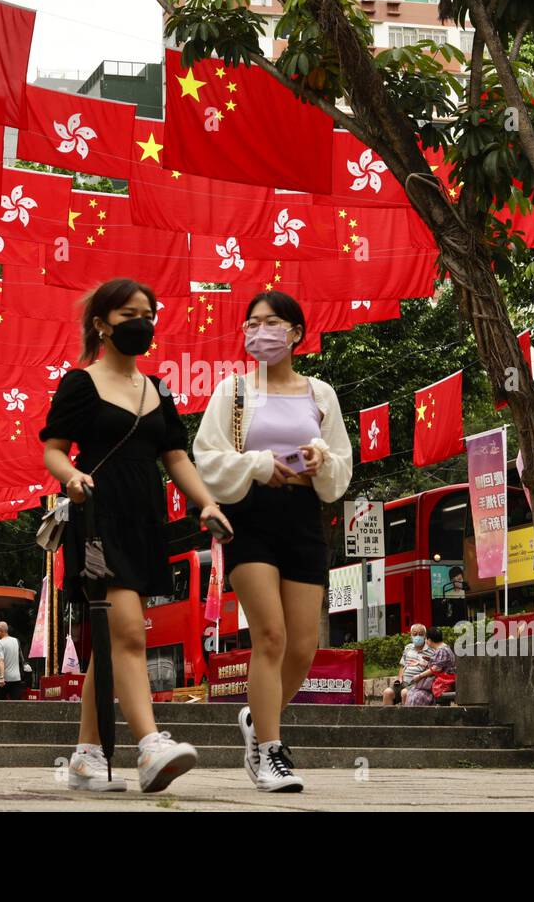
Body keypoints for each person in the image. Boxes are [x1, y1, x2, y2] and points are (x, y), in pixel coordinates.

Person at [39, 277, 230, 794]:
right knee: (128, 631)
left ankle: (85, 756)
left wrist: (206, 502)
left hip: (145, 519)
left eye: (147, 312)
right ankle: (149, 746)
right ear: (101, 323)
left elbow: (175, 456)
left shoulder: (159, 388)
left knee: (110, 641)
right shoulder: (79, 383)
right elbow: (54, 449)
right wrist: (70, 476)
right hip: (97, 518)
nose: (141, 322)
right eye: (128, 313)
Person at [193, 290, 353, 793]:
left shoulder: (320, 393)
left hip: (305, 515)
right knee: (271, 636)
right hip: (251, 515)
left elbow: (344, 464)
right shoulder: (234, 391)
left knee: (303, 647)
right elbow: (207, 457)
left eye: (272, 322)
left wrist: (322, 460)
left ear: (297, 333)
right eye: (252, 323)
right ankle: (269, 751)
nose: (260, 331)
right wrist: (259, 466)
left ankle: (258, 720)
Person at [382, 624, 431, 707]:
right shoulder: (408, 648)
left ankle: (405, 719)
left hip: (418, 684)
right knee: (387, 692)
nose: (417, 636)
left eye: (420, 634)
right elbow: (402, 666)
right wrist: (400, 679)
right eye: (415, 634)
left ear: (425, 636)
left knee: (405, 693)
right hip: (404, 682)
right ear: (411, 636)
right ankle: (387, 719)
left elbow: (433, 668)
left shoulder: (430, 650)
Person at [405, 628, 456, 706]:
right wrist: (422, 663)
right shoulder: (445, 648)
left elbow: (436, 668)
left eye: (426, 639)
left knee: (416, 696)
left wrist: (419, 676)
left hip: (442, 685)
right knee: (412, 692)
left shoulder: (441, 650)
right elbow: (439, 665)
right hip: (442, 683)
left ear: (429, 640)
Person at [0, 622, 27, 700]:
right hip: (16, 678)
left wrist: (1, 678)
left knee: (0, 703)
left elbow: (1, 661)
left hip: (4, 680)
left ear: (1, 631)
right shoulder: (16, 641)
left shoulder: (0, 643)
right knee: (16, 704)